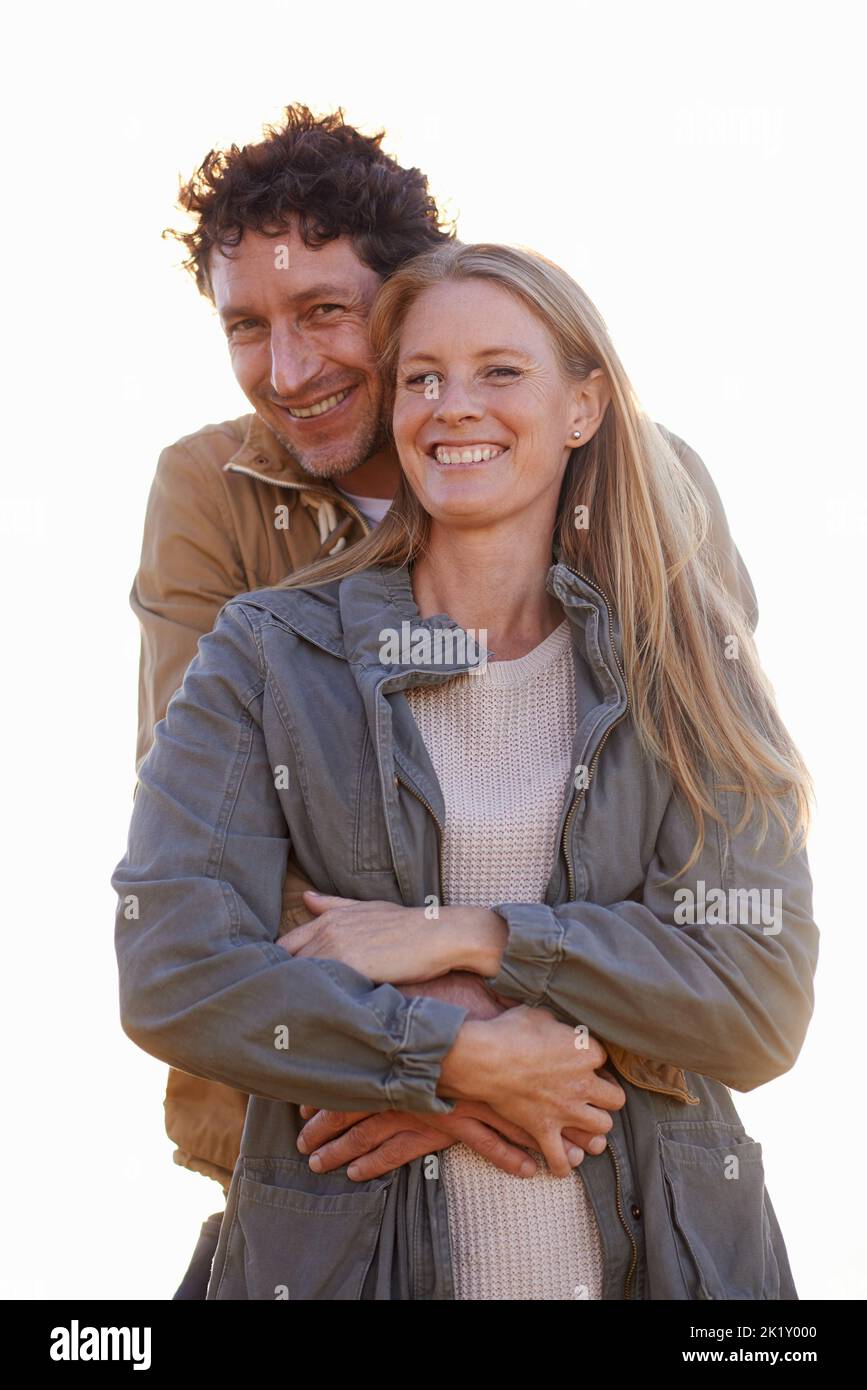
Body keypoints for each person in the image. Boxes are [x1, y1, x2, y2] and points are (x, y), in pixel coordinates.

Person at [133, 105, 759, 1297]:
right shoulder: (208, 497)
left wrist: (532, 1042)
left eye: (325, 313)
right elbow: (210, 857)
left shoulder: (641, 487)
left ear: (408, 294)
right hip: (325, 1124)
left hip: (603, 1105)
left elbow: (710, 839)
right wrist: (449, 1060)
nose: (290, 370)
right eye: (247, 328)